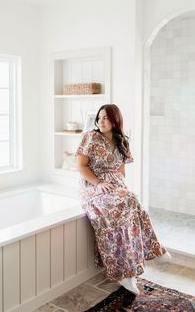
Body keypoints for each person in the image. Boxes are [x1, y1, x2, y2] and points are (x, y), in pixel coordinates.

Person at [76, 104, 171, 295]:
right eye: (99, 117)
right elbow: (81, 166)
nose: (101, 121)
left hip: (115, 185)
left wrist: (120, 189)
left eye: (106, 118)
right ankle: (124, 271)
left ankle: (136, 266)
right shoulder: (91, 137)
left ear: (115, 120)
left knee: (134, 204)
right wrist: (99, 183)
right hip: (93, 186)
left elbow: (122, 170)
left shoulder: (122, 140)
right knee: (122, 208)